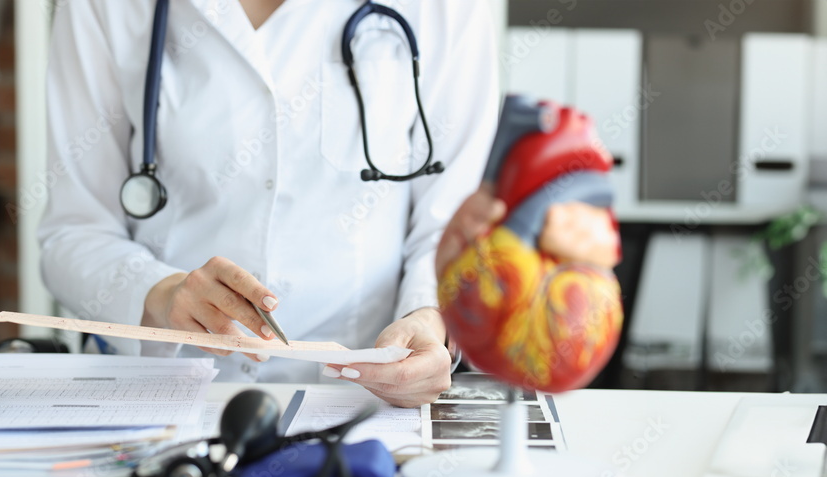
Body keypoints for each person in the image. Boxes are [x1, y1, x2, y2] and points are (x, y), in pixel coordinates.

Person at [38, 0, 613, 408]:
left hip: (357, 405)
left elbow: (449, 229)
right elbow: (71, 232)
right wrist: (162, 294)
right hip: (159, 398)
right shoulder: (105, 7)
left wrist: (428, 318)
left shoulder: (445, 9)